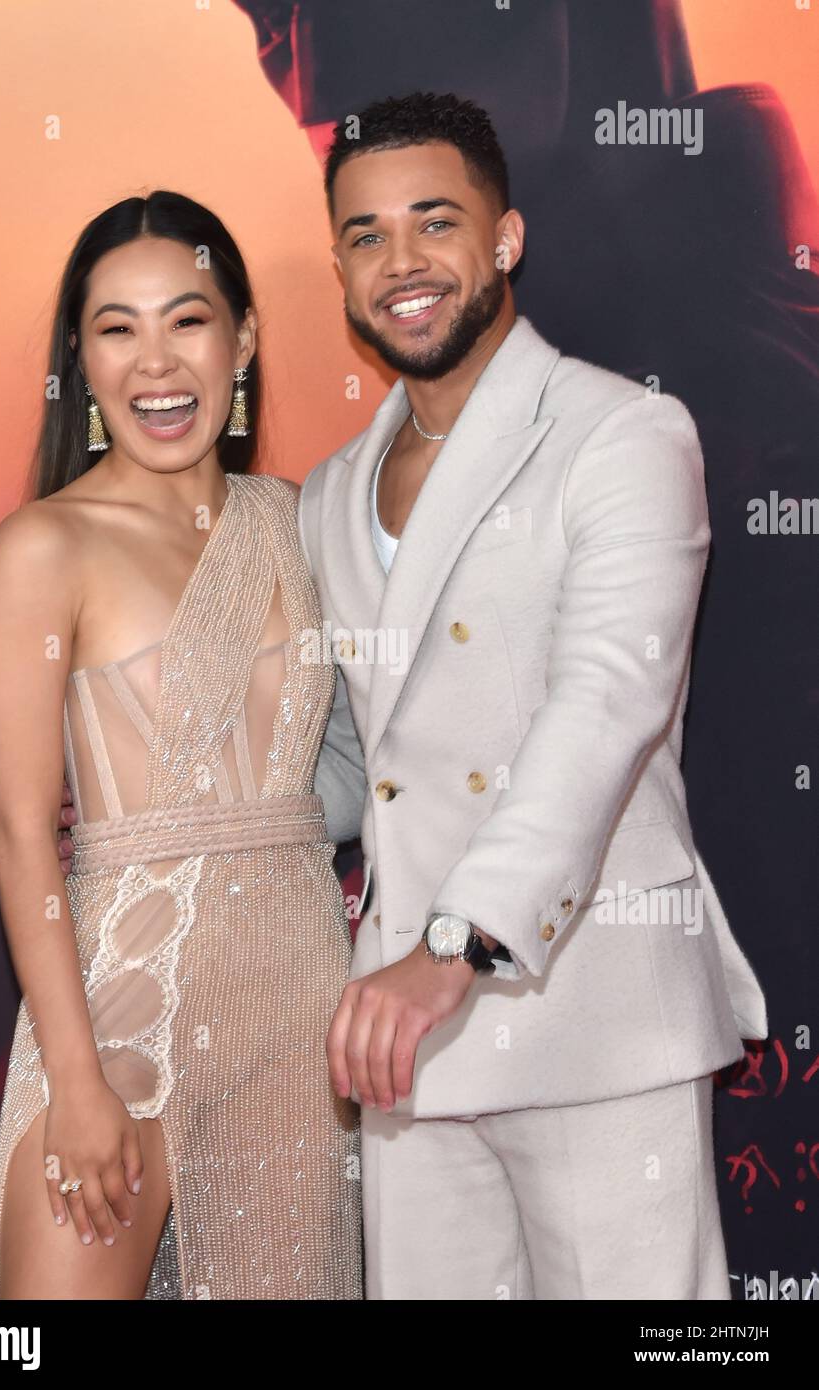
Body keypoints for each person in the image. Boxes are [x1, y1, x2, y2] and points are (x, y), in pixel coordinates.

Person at [299, 92, 769, 1299]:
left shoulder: (622, 431)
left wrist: (457, 943)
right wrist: (197, 817)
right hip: (407, 1043)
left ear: (504, 239)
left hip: (587, 1009)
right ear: (340, 269)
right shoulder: (330, 493)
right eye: (365, 236)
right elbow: (364, 756)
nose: (401, 263)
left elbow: (607, 706)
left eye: (433, 222)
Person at [0, 191, 361, 1300]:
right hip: (113, 1015)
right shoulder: (46, 545)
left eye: (186, 320)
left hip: (296, 1021)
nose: (157, 362)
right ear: (81, 362)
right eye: (117, 327)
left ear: (243, 337)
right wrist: (78, 1081)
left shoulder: (303, 522)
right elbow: (16, 835)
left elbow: (372, 762)